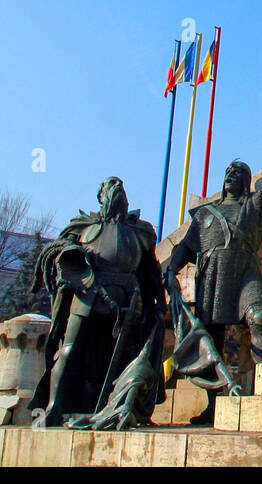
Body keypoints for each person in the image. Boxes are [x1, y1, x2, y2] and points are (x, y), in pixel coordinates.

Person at [31, 176, 165, 427]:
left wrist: (159, 301)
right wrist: (68, 255)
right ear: (101, 196)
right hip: (88, 294)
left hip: (127, 298)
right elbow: (61, 256)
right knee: (70, 350)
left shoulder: (141, 232)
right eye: (109, 186)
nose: (116, 188)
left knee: (127, 355)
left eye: (120, 186)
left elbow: (150, 271)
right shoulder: (82, 227)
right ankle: (54, 407)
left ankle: (124, 407)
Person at [166, 160, 262, 424]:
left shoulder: (256, 204)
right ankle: (212, 404)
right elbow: (186, 246)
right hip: (213, 275)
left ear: (246, 181)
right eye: (228, 171)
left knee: (259, 316)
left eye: (238, 172)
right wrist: (170, 271)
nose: (231, 175)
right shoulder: (205, 213)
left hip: (245, 269)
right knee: (210, 339)